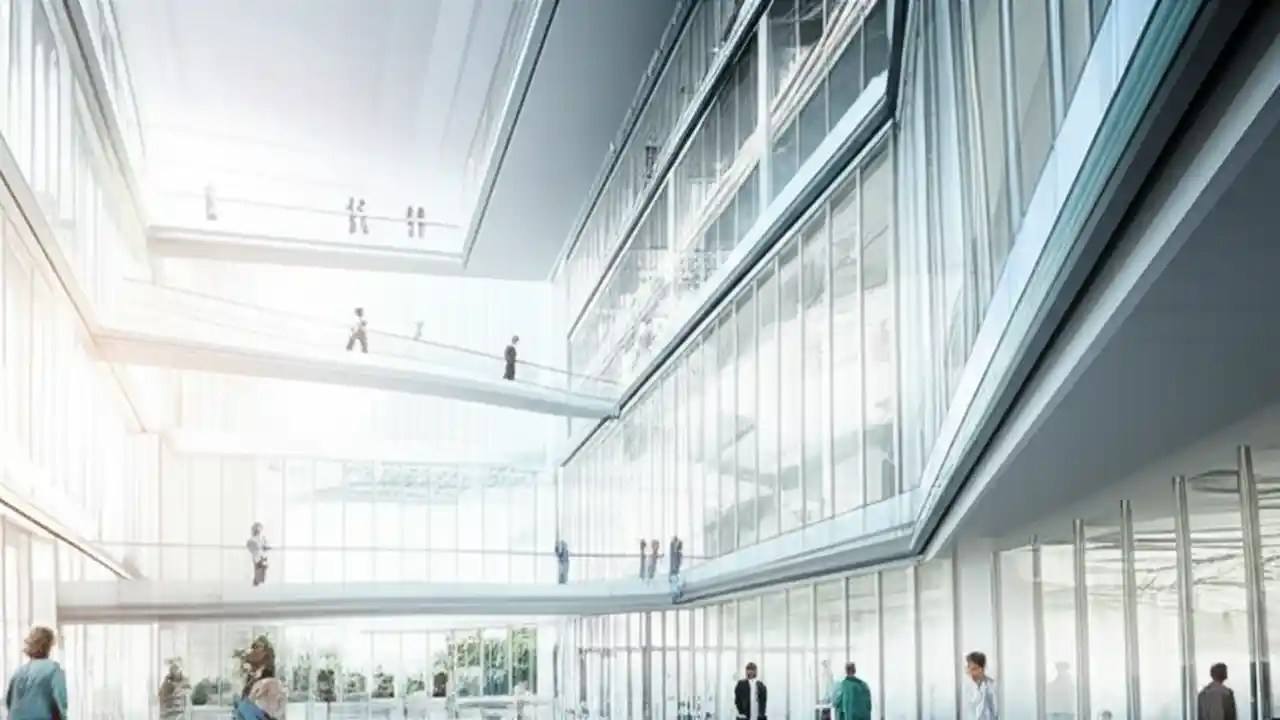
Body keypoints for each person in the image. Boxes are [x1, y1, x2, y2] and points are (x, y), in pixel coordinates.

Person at [5, 626, 68, 720]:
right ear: (48, 645)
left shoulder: (19, 672)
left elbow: (10, 702)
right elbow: (60, 701)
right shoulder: (53, 669)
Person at [234, 636, 286, 720]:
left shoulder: (270, 683)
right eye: (253, 647)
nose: (252, 651)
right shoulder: (253, 679)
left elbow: (273, 712)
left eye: (257, 647)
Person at [965, 651, 997, 720]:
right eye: (969, 669)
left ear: (981, 669)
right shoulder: (969, 687)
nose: (970, 672)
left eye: (973, 669)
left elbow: (996, 712)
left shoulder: (992, 686)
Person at [247, 522, 270, 587]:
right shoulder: (251, 540)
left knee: (262, 567)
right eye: (255, 530)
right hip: (258, 557)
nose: (257, 532)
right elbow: (253, 548)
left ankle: (258, 580)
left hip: (260, 557)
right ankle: (258, 580)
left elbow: (266, 546)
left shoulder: (261, 539)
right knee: (261, 566)